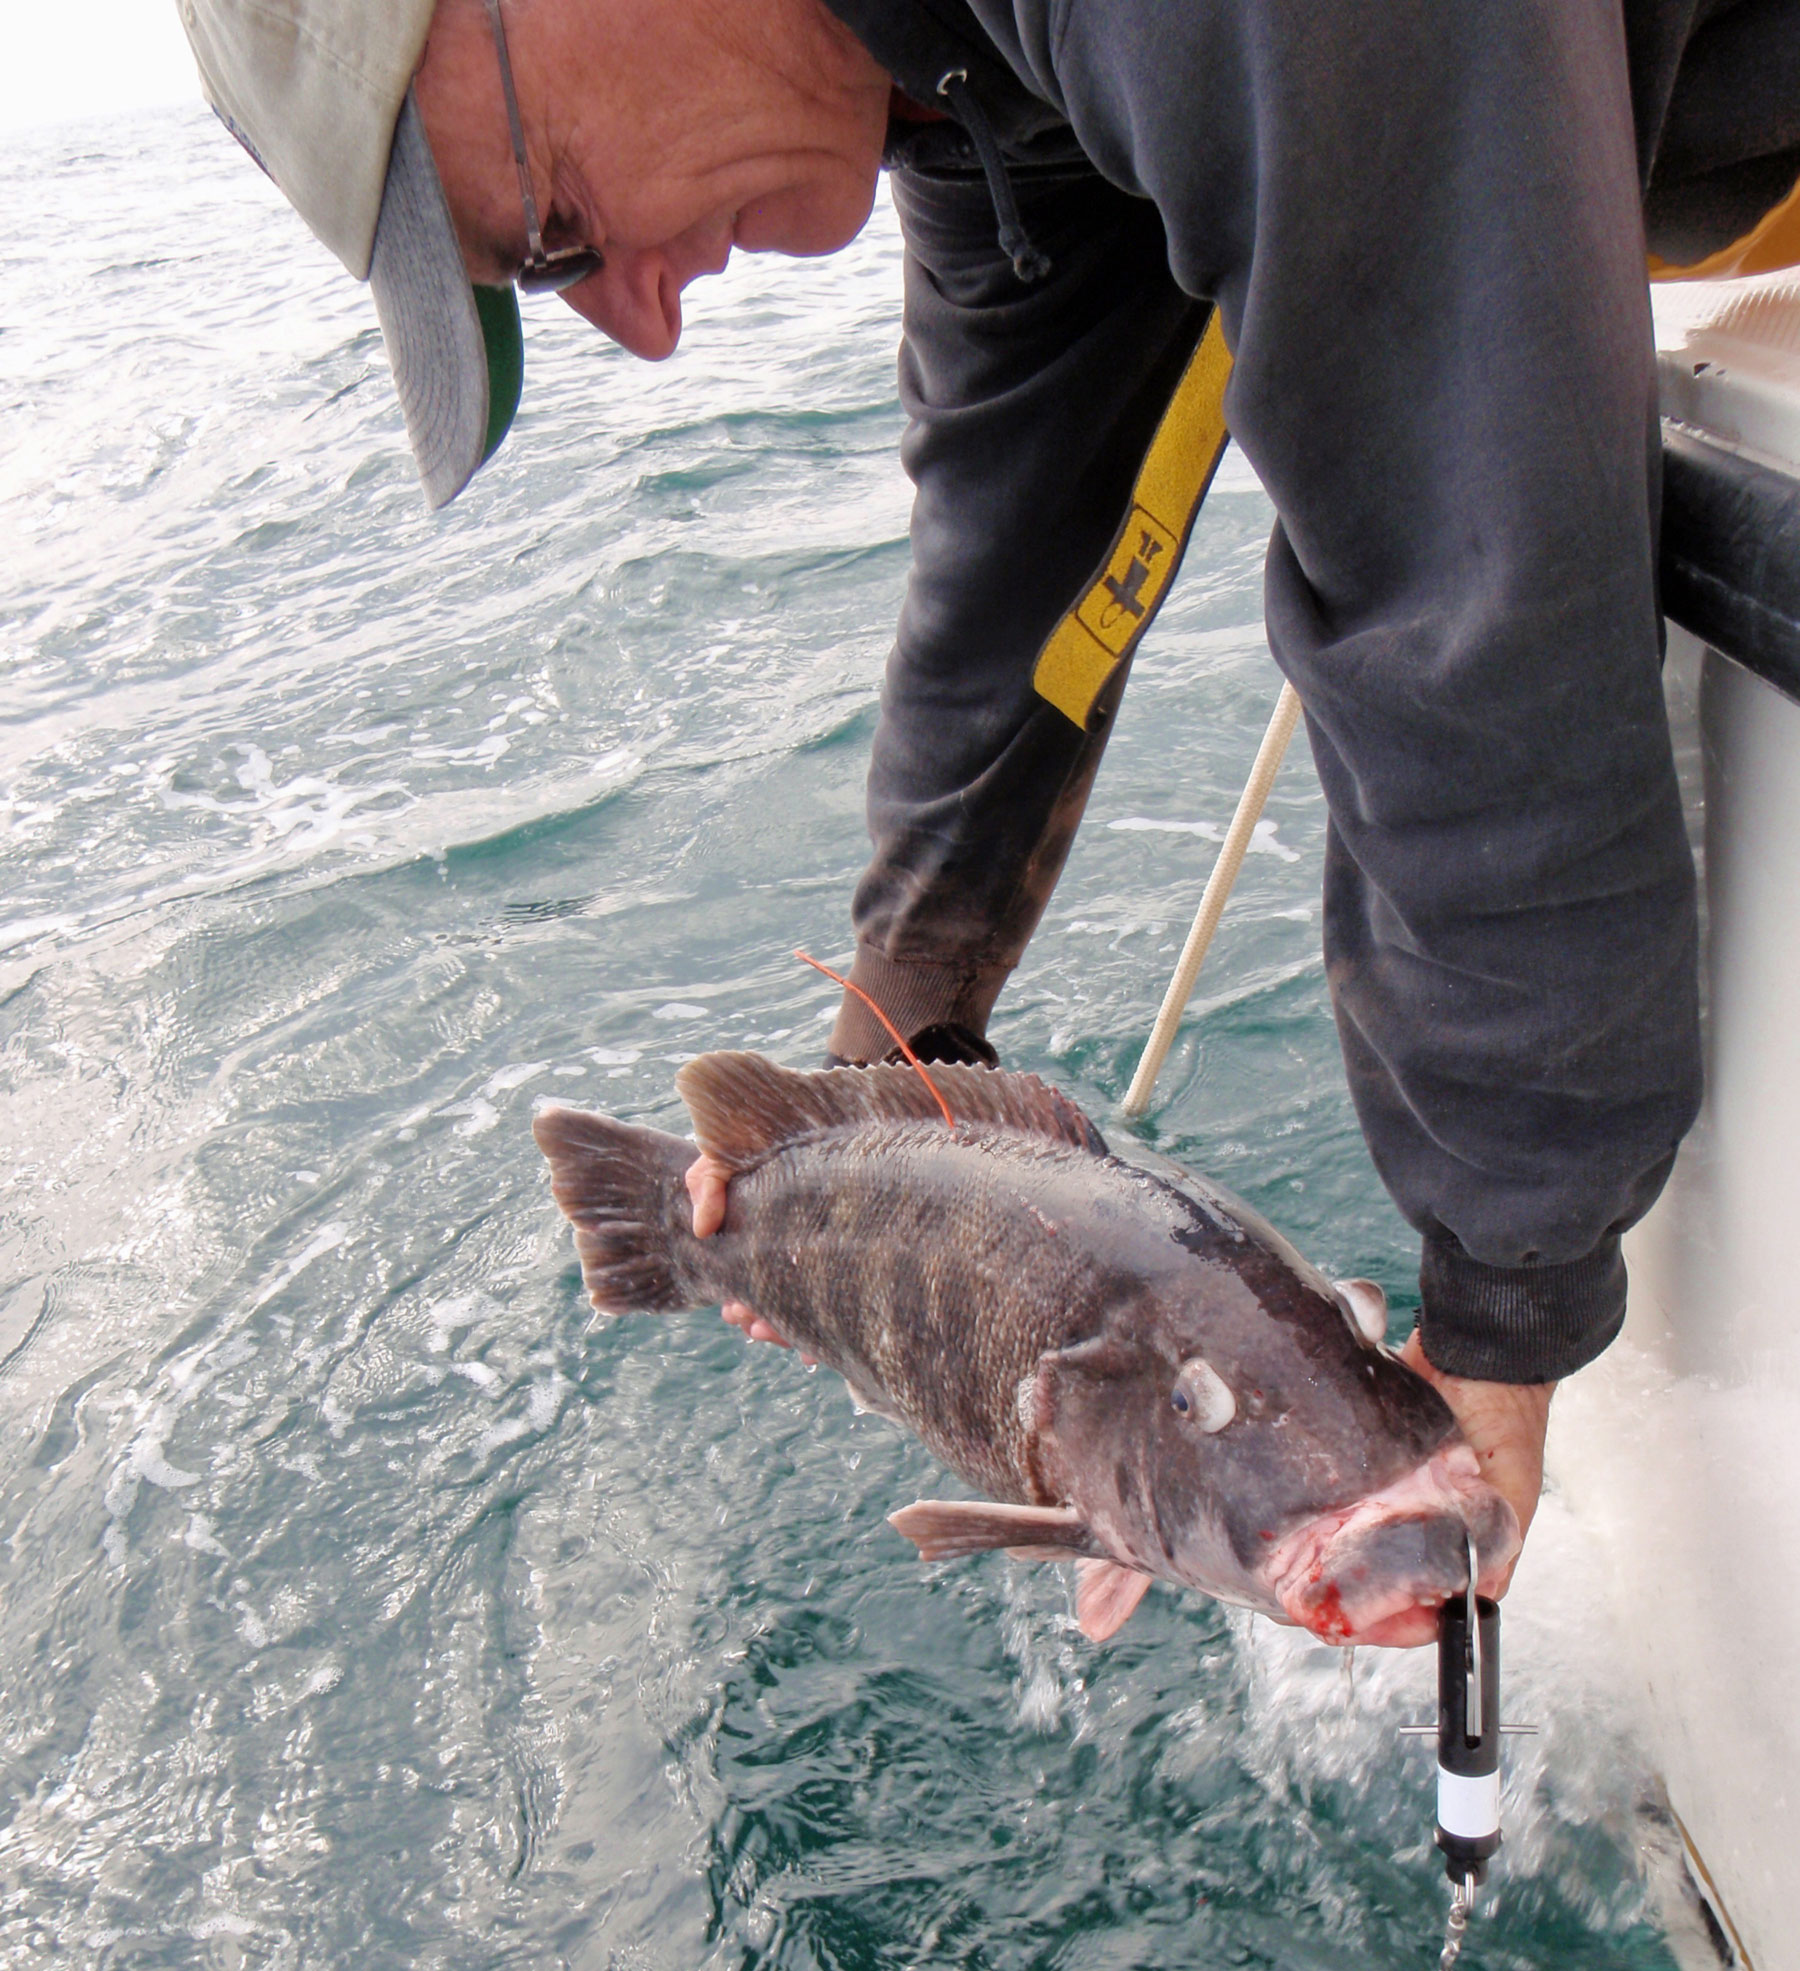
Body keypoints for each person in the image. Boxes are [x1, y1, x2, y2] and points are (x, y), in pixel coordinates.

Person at [177, 0, 1796, 1632]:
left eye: (553, 235)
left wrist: (1506, 1307)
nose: (644, 326)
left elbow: (1468, 542)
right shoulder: (956, 79)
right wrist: (897, 1057)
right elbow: (1016, 554)